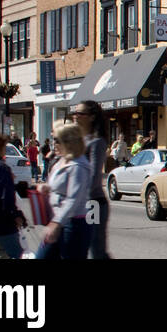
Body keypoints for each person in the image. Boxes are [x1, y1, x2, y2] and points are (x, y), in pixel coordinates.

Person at [36, 123, 92, 260]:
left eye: (57, 140)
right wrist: (46, 187)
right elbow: (58, 186)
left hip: (74, 224)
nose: (53, 144)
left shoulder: (79, 166)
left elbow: (73, 199)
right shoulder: (62, 160)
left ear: (69, 142)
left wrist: (56, 223)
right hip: (58, 220)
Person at [72, 101, 110, 258]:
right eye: (75, 113)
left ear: (92, 117)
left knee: (95, 248)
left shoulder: (97, 142)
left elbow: (94, 176)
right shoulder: (78, 140)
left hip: (93, 201)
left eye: (80, 114)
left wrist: (78, 197)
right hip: (79, 201)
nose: (76, 116)